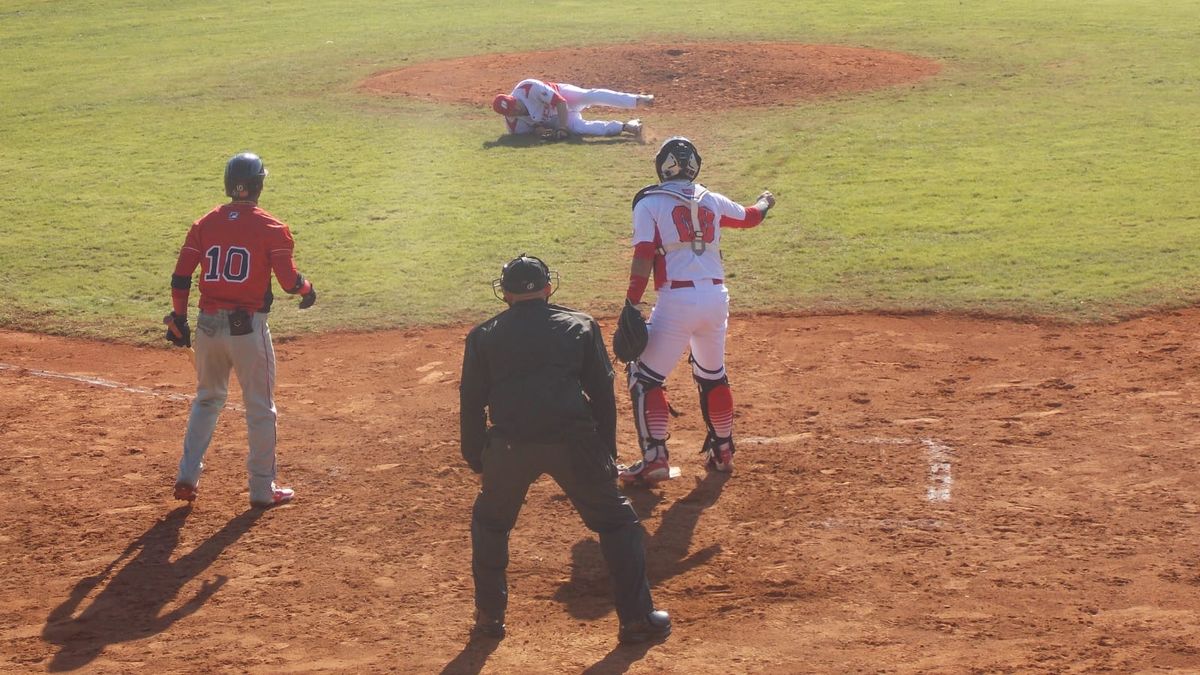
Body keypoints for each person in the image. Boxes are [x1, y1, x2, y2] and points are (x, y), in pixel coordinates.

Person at [459, 253, 671, 644]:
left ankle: (489, 621)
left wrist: (476, 457)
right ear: (548, 287)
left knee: (490, 525)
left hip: (508, 446)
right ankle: (637, 619)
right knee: (617, 523)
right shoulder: (580, 325)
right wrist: (606, 454)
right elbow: (602, 395)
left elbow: (472, 402)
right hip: (573, 443)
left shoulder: (483, 335)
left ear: (504, 293)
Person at [616, 137, 777, 485]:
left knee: (643, 378)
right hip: (716, 298)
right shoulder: (711, 199)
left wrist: (631, 301)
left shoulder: (649, 202)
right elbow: (751, 218)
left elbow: (644, 255)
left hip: (676, 302)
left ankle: (655, 458)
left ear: (661, 166)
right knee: (712, 375)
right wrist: (766, 201)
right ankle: (723, 451)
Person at [163, 152, 318, 509]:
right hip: (247, 331)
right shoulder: (272, 228)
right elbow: (290, 282)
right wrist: (308, 289)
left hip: (206, 327)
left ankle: (188, 474)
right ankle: (263, 489)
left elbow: (181, 277)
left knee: (207, 399)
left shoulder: (204, 224)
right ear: (260, 184)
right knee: (260, 409)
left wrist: (179, 318)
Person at [491, 78, 653, 140]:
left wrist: (561, 127)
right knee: (579, 128)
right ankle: (626, 126)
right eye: (511, 112)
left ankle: (637, 100)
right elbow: (531, 130)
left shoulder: (528, 87)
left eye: (515, 106)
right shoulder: (514, 126)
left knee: (589, 96)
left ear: (513, 98)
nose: (516, 110)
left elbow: (560, 102)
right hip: (553, 118)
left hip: (562, 97)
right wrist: (538, 131)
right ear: (507, 115)